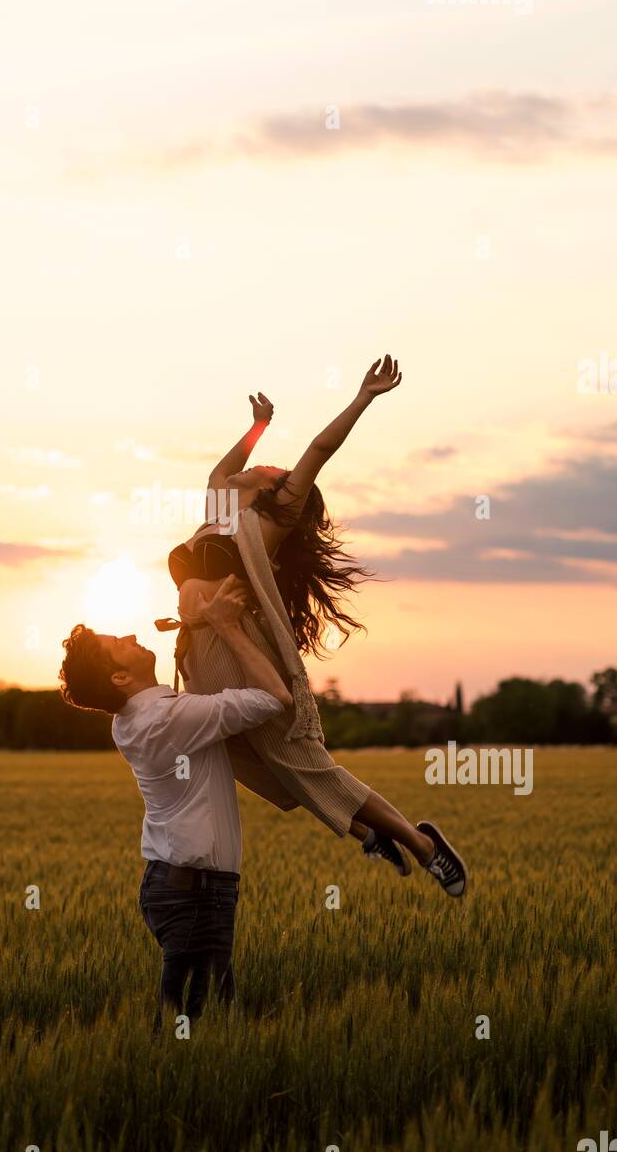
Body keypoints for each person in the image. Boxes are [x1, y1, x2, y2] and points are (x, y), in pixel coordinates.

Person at [160, 357, 468, 897]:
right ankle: (368, 831)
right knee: (248, 761)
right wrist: (258, 427)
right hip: (197, 655)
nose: (263, 466)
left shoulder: (266, 522)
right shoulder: (217, 512)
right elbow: (218, 473)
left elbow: (319, 452)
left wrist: (364, 397)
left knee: (303, 762)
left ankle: (423, 845)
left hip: (236, 651)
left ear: (273, 490)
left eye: (272, 468)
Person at [59, 575, 292, 1031]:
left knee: (199, 1019)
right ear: (120, 677)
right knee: (193, 1024)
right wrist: (226, 627)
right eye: (118, 644)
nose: (130, 635)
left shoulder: (135, 718)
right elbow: (275, 697)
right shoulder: (167, 718)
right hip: (195, 890)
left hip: (179, 885)